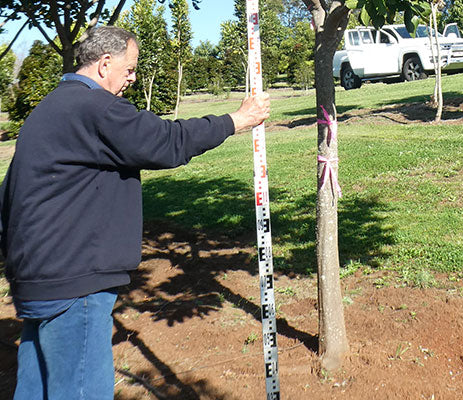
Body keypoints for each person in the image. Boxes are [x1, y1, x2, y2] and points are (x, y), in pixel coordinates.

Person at [0, 25, 270, 400]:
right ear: (104, 64)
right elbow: (166, 142)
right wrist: (235, 121)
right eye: (129, 69)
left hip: (38, 279)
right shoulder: (95, 107)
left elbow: (9, 194)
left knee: (36, 389)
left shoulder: (50, 109)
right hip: (74, 281)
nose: (133, 77)